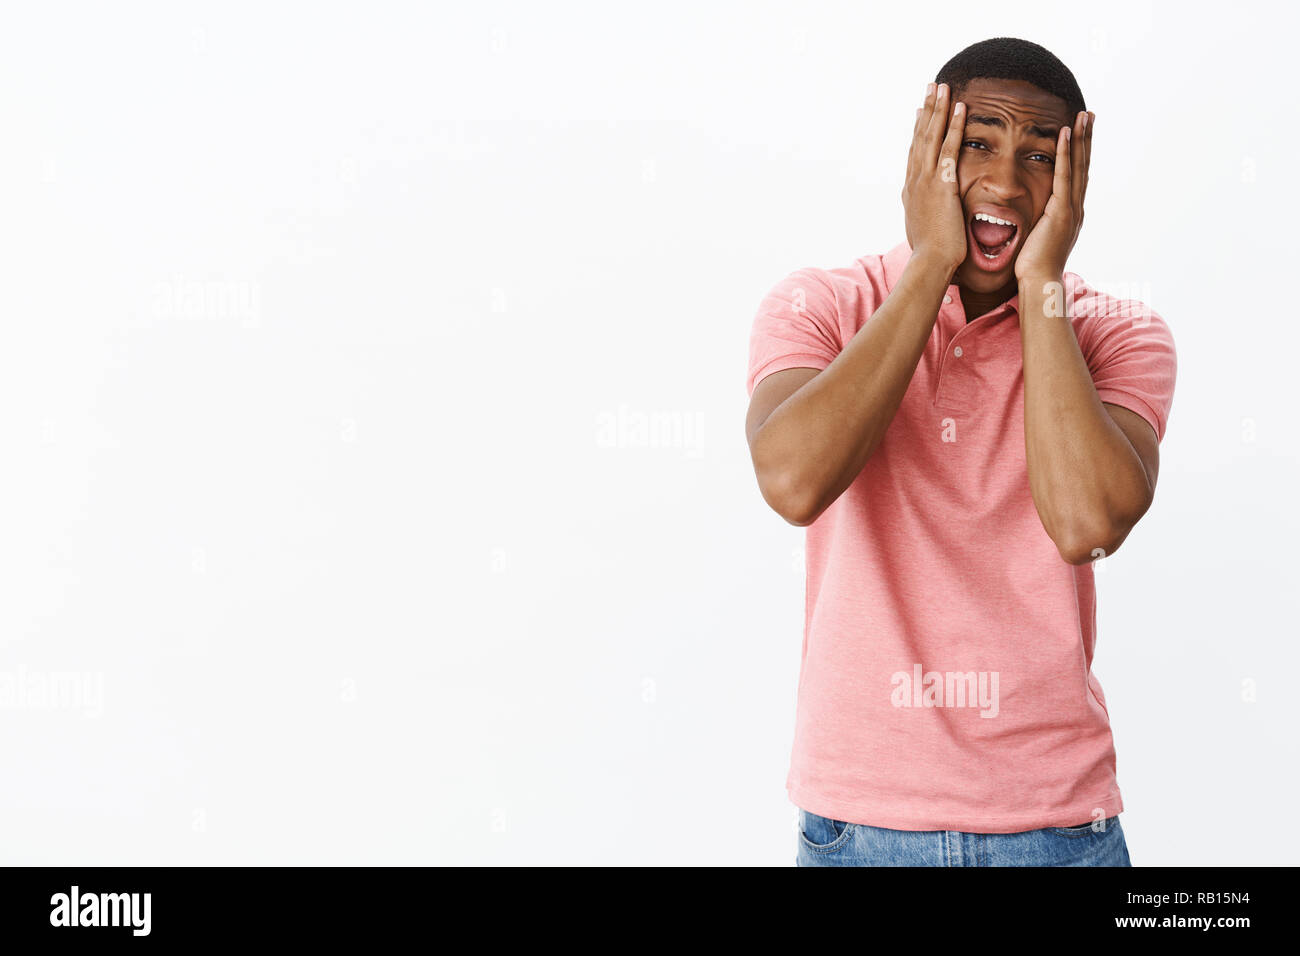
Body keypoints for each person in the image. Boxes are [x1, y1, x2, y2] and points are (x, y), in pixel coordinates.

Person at [743, 37, 1176, 866]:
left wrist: (1041, 283)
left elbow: (1086, 520)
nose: (1006, 182)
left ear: (1075, 182)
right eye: (978, 142)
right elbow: (793, 481)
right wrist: (930, 263)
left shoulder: (1121, 334)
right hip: (855, 826)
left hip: (1057, 828)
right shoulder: (820, 306)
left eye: (1039, 156)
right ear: (926, 150)